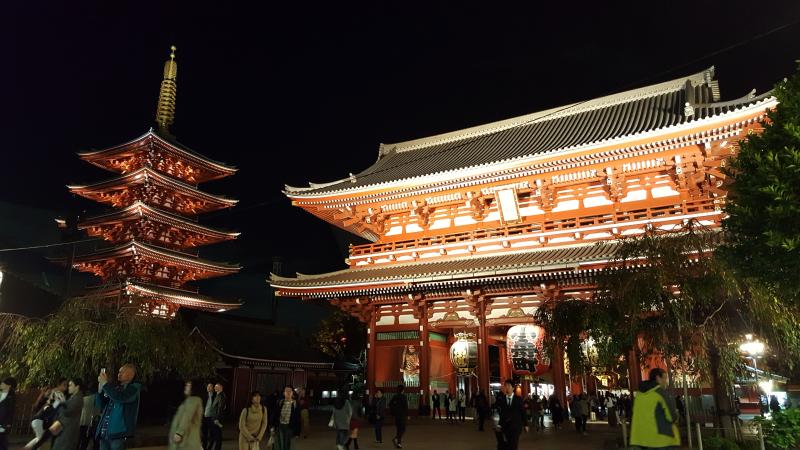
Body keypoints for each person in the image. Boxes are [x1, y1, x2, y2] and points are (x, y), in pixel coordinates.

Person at [630, 368, 680, 449]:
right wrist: (676, 414)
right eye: (665, 378)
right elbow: (672, 417)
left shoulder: (639, 395)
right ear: (658, 378)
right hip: (661, 440)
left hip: (641, 440)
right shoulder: (661, 393)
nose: (666, 382)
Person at [95, 364, 142, 450]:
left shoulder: (134, 388)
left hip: (119, 434)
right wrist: (101, 389)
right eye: (119, 372)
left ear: (130, 374)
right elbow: (100, 405)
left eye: (121, 372)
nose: (118, 374)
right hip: (105, 433)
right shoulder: (116, 388)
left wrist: (105, 384)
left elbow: (120, 398)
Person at [50, 378, 85, 450]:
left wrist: (61, 403)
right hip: (63, 430)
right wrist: (57, 402)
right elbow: (57, 408)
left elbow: (67, 411)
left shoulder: (78, 399)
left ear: (77, 387)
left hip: (69, 433)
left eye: (70, 385)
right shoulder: (72, 397)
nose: (68, 387)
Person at [168, 380, 204, 450]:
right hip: (187, 439)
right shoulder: (192, 400)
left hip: (187, 440)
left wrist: (179, 433)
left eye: (188, 386)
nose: (186, 387)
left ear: (194, 388)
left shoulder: (193, 400)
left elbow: (187, 416)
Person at [494, 380, 526, 450]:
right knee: (509, 443)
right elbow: (502, 413)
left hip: (516, 426)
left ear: (513, 388)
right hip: (506, 426)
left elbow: (523, 412)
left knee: (514, 444)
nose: (507, 387)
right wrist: (499, 424)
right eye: (506, 386)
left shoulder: (518, 399)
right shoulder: (502, 399)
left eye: (509, 386)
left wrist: (525, 424)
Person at [270, 385, 300, 450]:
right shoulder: (280, 402)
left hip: (290, 427)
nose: (288, 392)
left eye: (290, 391)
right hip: (280, 426)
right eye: (286, 391)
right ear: (284, 393)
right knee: (279, 444)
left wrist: (297, 432)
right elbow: (275, 415)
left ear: (292, 393)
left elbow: (298, 418)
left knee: (289, 445)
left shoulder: (295, 403)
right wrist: (273, 426)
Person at [78, 382, 101, 450]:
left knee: (83, 443)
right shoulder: (100, 399)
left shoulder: (84, 399)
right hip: (95, 423)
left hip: (84, 423)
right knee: (96, 444)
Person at [205, 383, 226, 450]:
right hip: (214, 418)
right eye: (215, 387)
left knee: (218, 436)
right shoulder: (218, 395)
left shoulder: (221, 395)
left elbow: (220, 408)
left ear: (221, 388)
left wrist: (217, 419)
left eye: (217, 387)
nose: (215, 388)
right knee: (215, 435)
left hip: (216, 419)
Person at [0, 377, 17, 450]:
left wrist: (8, 423)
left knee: (2, 441)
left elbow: (11, 411)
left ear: (9, 385)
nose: (1, 384)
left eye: (3, 383)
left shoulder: (10, 397)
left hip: (3, 423)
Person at [388, 384, 408, 449]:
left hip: (397, 416)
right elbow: (405, 407)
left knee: (398, 429)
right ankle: (397, 441)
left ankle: (398, 442)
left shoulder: (395, 396)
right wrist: (407, 415)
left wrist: (394, 411)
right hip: (402, 415)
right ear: (403, 390)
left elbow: (390, 404)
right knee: (403, 429)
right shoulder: (404, 397)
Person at [201, 383, 215, 450]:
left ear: (213, 388)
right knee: (204, 435)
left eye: (210, 387)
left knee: (212, 434)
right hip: (204, 418)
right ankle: (204, 447)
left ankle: (209, 447)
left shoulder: (215, 396)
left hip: (211, 418)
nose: (208, 388)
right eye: (208, 387)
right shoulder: (204, 396)